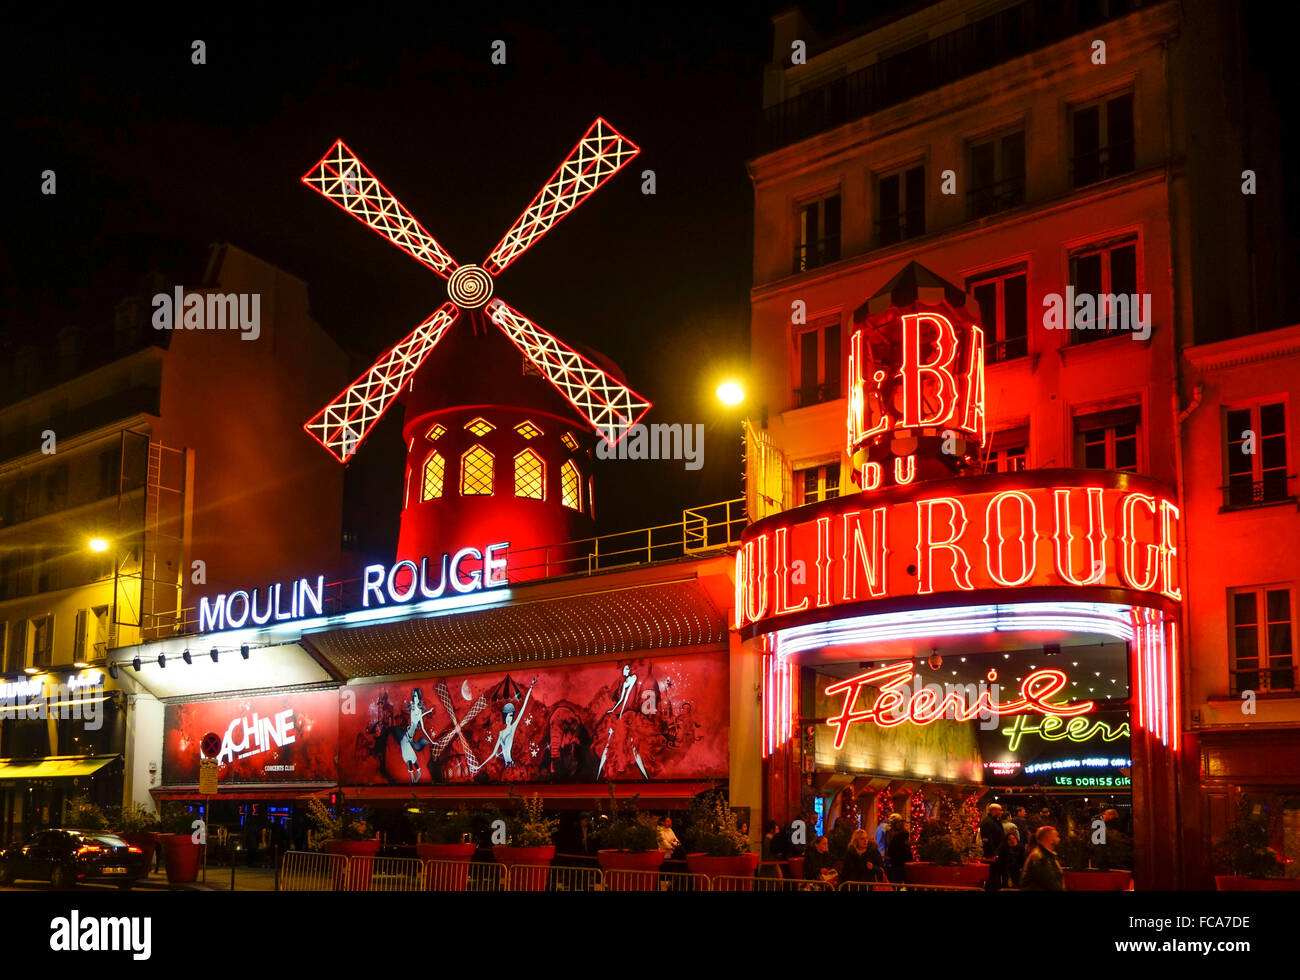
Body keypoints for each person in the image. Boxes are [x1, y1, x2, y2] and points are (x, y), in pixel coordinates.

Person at [1019, 826, 1065, 891]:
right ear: (1050, 838)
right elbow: (1050, 883)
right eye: (1056, 836)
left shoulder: (1045, 855)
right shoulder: (1040, 857)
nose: (1059, 839)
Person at [885, 815, 911, 884]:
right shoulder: (900, 836)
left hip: (896, 863)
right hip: (901, 863)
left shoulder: (894, 835)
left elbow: (890, 850)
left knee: (896, 882)